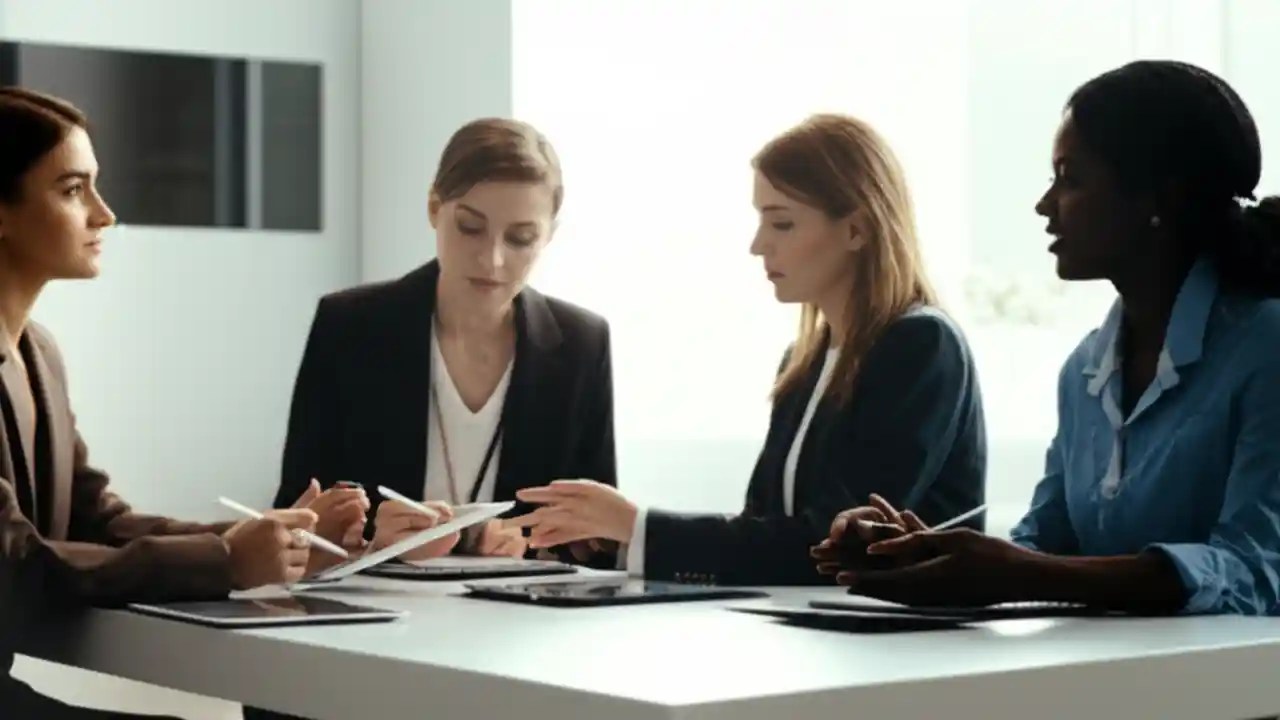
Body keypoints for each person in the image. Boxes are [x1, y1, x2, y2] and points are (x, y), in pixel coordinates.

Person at [816, 60, 1280, 616]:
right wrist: (919, 551)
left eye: (1070, 178)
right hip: (1109, 681)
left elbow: (1256, 574)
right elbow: (1047, 543)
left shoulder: (1265, 347)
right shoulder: (1086, 369)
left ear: (1161, 197)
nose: (1045, 204)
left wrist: (1016, 570)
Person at [509, 114, 987, 586]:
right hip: (816, 634)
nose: (759, 245)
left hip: (906, 645)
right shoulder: (804, 362)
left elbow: (837, 540)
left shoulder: (920, 345)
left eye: (781, 223)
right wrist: (612, 540)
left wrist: (639, 528)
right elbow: (764, 529)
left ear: (856, 231)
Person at [0, 87, 319, 718]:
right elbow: (16, 567)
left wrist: (257, 537)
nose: (104, 214)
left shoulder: (39, 352)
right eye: (72, 190)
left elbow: (93, 518)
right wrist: (226, 562)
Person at [269, 117, 617, 568]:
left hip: (522, 623)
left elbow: (597, 541)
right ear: (435, 208)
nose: (492, 258)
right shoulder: (350, 327)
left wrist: (529, 543)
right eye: (470, 227)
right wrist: (376, 542)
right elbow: (292, 522)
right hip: (373, 617)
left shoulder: (581, 345)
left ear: (549, 234)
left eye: (521, 239)